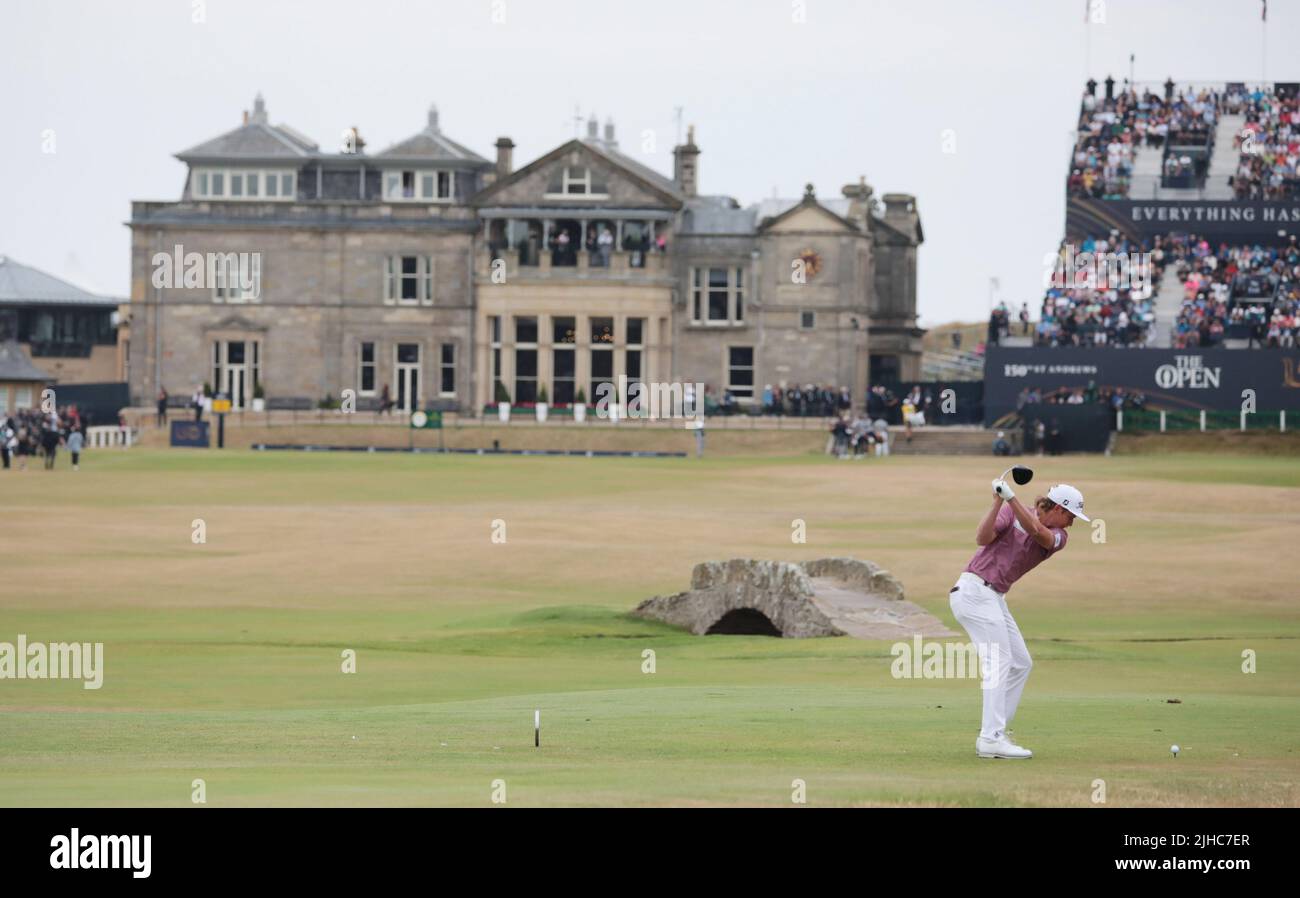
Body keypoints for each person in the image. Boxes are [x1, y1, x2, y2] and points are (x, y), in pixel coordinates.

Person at [949, 479, 1090, 759]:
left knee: (1021, 663)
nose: (1072, 523)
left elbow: (1037, 530)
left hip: (994, 597)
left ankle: (996, 732)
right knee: (999, 662)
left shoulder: (1059, 537)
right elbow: (982, 538)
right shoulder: (1010, 511)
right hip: (974, 591)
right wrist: (997, 501)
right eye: (1071, 516)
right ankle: (990, 738)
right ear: (1059, 508)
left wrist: (1010, 496)